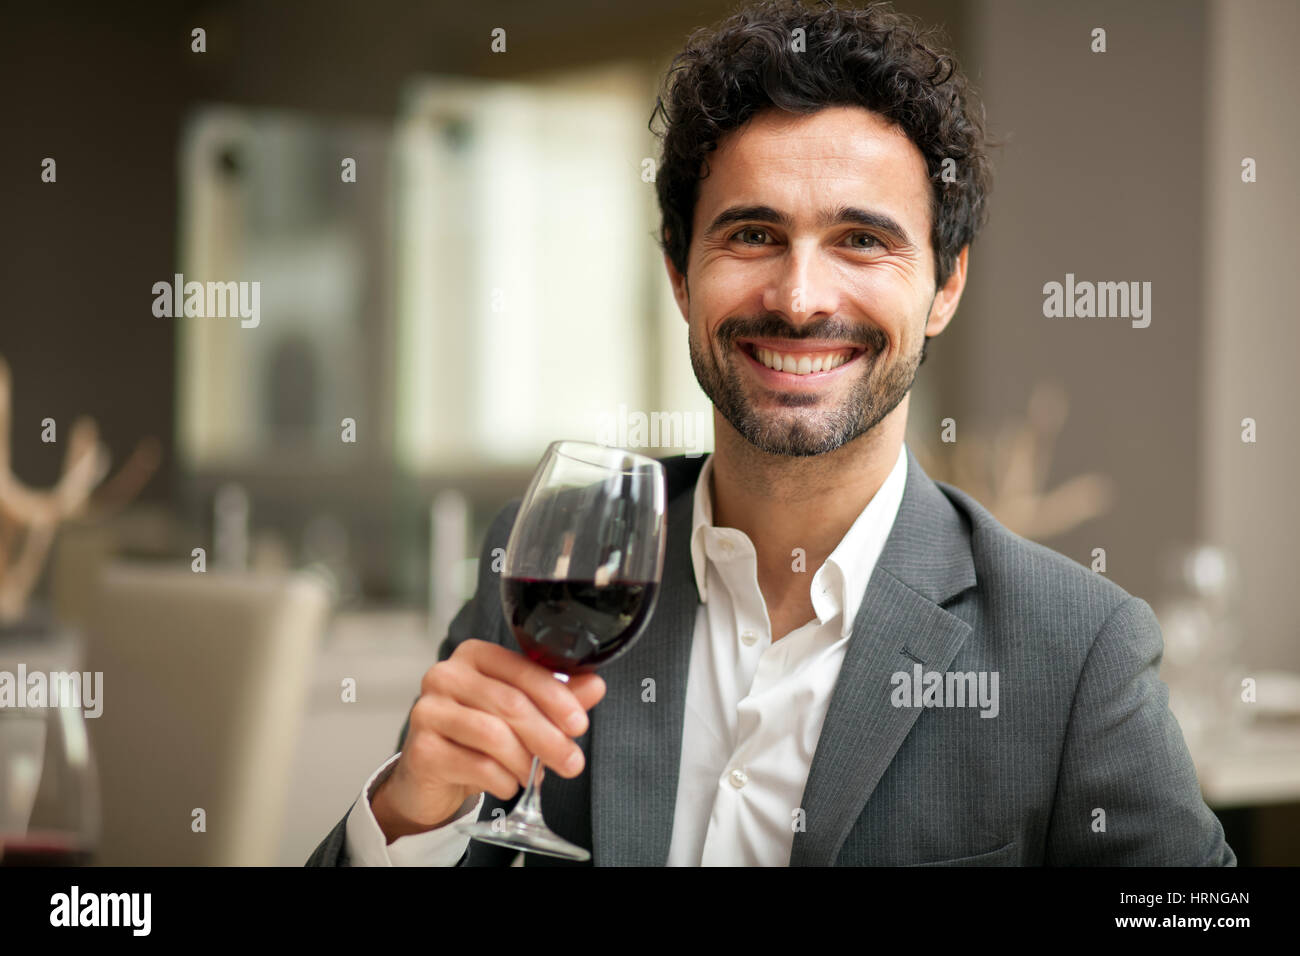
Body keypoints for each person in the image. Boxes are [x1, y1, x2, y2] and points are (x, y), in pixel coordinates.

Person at [307, 0, 1234, 866]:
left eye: (862, 241)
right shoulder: (552, 554)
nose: (798, 298)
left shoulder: (1076, 652)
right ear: (679, 272)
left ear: (945, 285)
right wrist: (406, 816)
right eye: (752, 235)